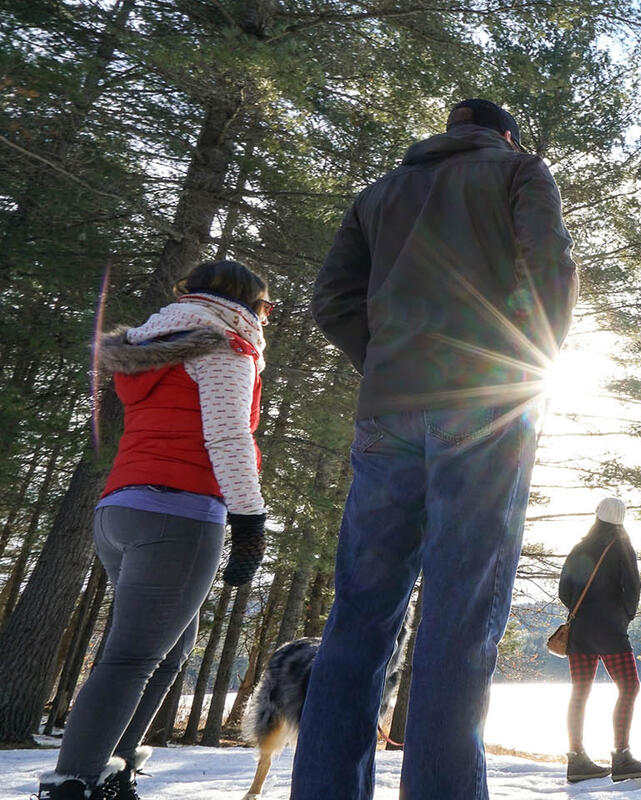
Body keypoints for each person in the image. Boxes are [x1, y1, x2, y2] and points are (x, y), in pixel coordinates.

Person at [291, 98, 577, 800]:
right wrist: (531, 363)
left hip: (387, 414)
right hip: (484, 403)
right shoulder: (520, 170)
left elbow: (331, 301)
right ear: (504, 134)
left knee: (357, 617)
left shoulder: (378, 194)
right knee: (460, 615)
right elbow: (550, 267)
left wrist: (386, 366)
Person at [39, 260, 272, 800]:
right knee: (132, 657)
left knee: (168, 651)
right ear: (247, 304)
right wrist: (250, 521)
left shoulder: (154, 346)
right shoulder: (223, 348)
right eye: (266, 309)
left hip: (120, 509)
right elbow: (229, 438)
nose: (266, 320)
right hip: (179, 513)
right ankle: (73, 784)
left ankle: (111, 772)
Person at [559, 497, 641, 783]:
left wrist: (581, 612)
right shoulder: (622, 546)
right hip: (611, 631)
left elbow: (564, 591)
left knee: (580, 692)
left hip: (581, 631)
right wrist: (624, 617)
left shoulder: (579, 548)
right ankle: (622, 757)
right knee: (629, 687)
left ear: (597, 515)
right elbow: (633, 588)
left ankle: (577, 759)